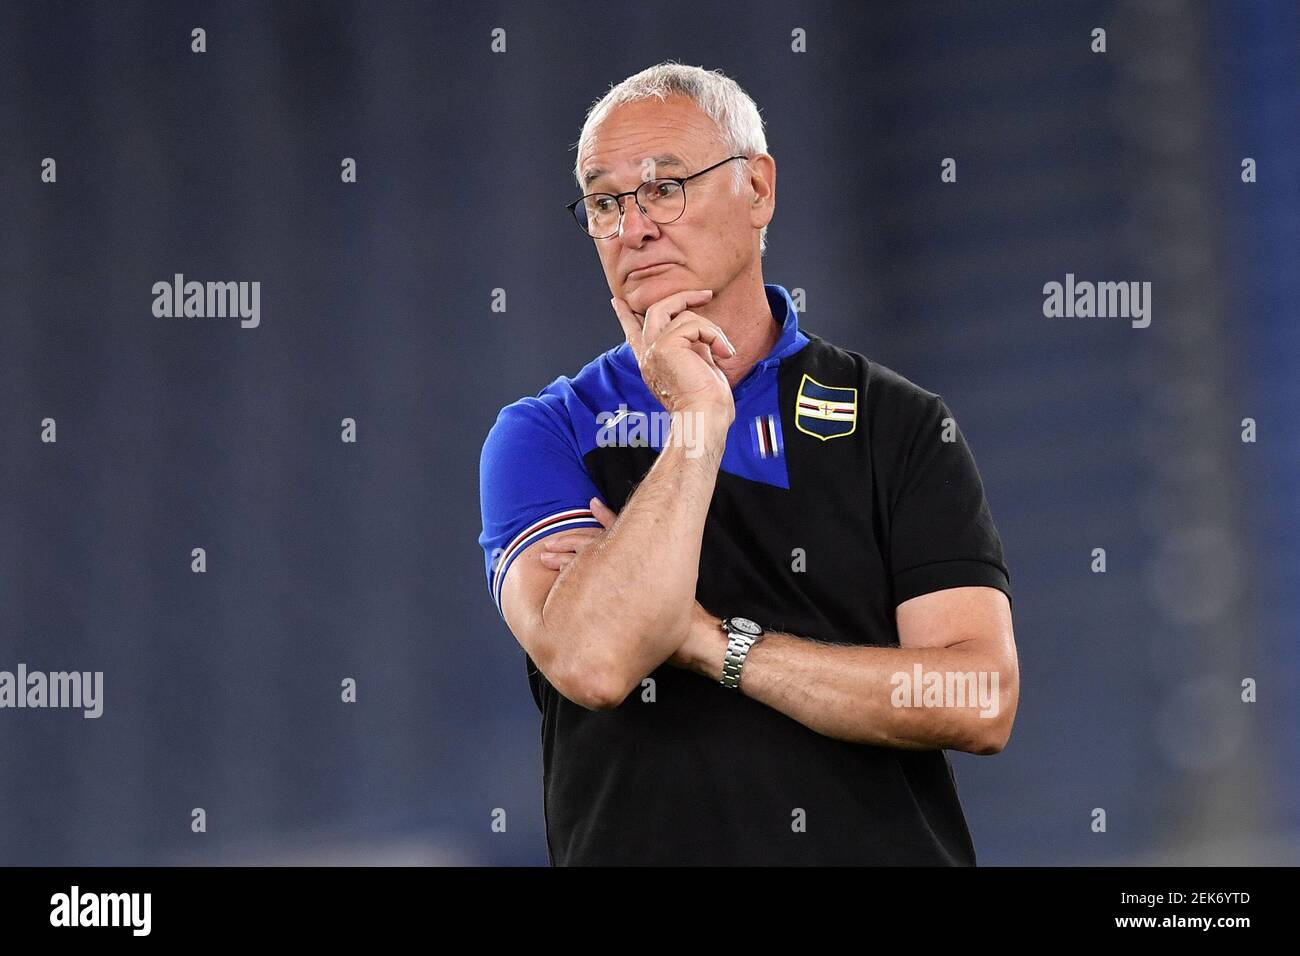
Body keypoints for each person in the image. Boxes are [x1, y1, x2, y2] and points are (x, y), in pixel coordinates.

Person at [478, 61, 1019, 865]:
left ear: (758, 189)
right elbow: (594, 661)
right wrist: (697, 421)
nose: (634, 228)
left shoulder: (898, 424)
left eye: (665, 187)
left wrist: (711, 645)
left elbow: (976, 700)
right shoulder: (545, 434)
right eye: (603, 203)